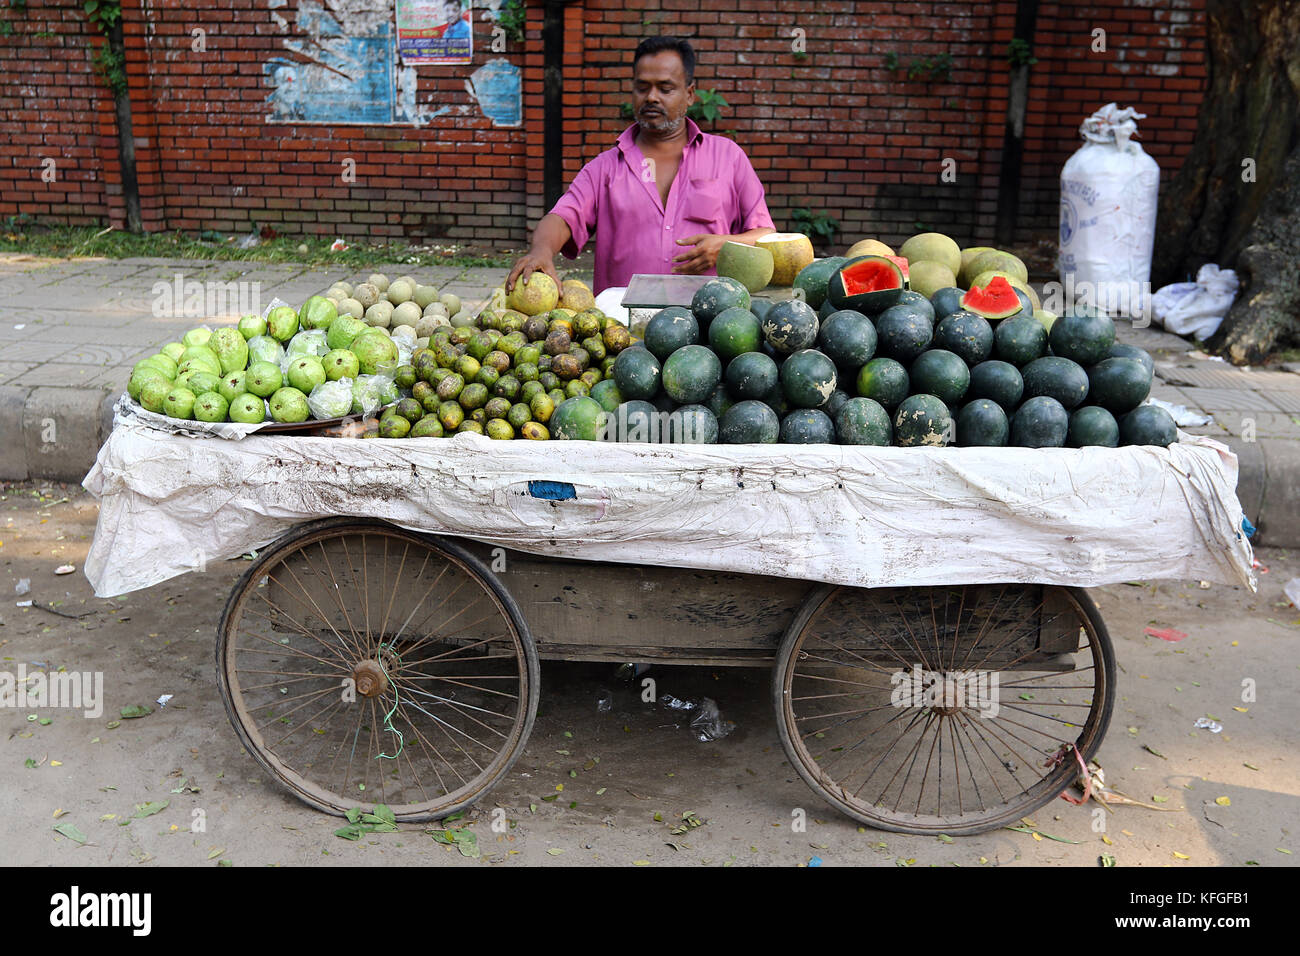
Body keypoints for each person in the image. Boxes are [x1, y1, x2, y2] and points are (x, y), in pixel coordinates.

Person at [506, 36, 776, 296]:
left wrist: (727, 246)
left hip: (707, 324)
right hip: (622, 327)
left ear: (690, 94)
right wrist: (540, 252)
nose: (652, 97)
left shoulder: (728, 157)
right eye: (642, 87)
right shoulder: (606, 168)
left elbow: (766, 236)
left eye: (665, 88)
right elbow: (562, 217)